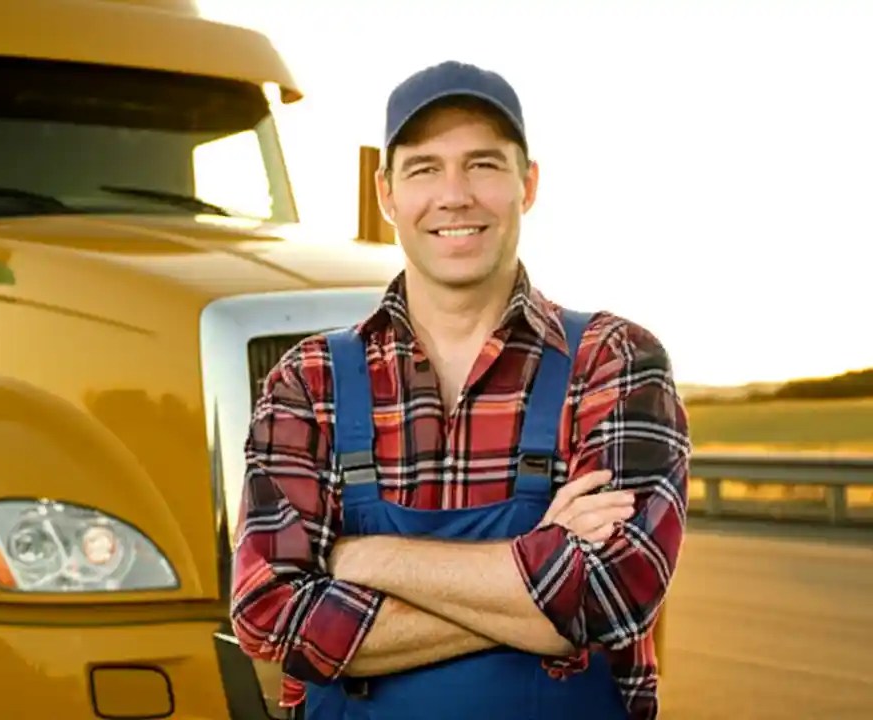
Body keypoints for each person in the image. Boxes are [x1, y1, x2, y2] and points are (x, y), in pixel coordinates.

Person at [229, 59, 690, 720]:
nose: (454, 195)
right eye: (424, 168)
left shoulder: (611, 360)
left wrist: (363, 557)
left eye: (483, 165)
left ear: (528, 184)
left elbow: (612, 594)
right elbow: (270, 616)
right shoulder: (310, 380)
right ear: (386, 193)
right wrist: (538, 590)